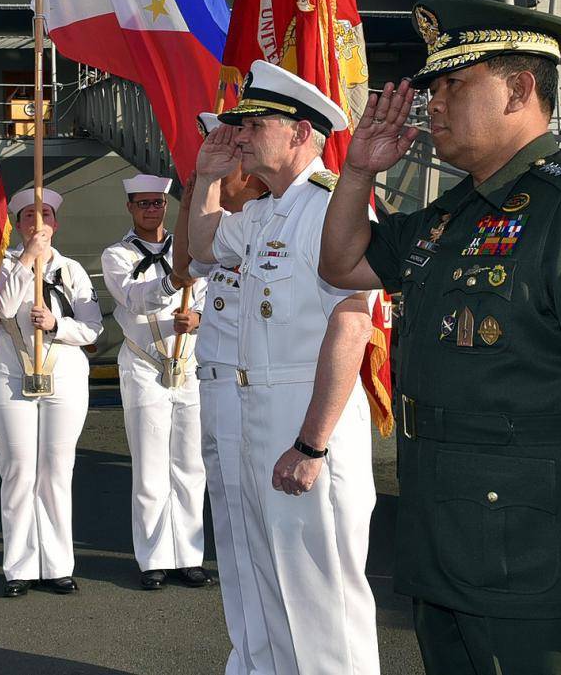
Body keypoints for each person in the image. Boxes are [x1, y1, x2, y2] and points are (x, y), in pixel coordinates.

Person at [318, 0, 561, 674]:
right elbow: (340, 263)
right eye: (431, 88)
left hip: (533, 554)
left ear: (518, 88)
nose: (433, 105)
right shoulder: (450, 214)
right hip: (442, 543)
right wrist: (358, 169)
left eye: (453, 84)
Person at [189, 60, 380, 675]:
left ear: (302, 132)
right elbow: (201, 248)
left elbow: (353, 322)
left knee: (322, 597)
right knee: (263, 584)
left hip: (305, 417)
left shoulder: (331, 207)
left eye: (255, 123)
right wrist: (206, 180)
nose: (239, 135)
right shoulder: (268, 210)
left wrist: (312, 443)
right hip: (256, 415)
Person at [181, 113, 273, 675]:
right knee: (240, 552)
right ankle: (251, 661)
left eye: (240, 140)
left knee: (296, 568)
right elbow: (191, 257)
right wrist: (204, 181)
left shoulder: (315, 210)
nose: (231, 148)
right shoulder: (246, 223)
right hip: (228, 403)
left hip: (280, 411)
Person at [0, 187, 102, 598]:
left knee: (55, 471)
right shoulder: (3, 265)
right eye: (30, 217)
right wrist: (27, 259)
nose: (39, 224)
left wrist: (57, 324)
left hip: (63, 375)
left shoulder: (72, 272)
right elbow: (1, 305)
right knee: (17, 470)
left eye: (46, 215)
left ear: (56, 222)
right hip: (11, 373)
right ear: (17, 225)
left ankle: (56, 564)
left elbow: (92, 327)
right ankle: (18, 566)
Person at [100, 174, 211, 591]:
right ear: (130, 207)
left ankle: (189, 555)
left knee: (189, 466)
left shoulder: (193, 252)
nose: (151, 210)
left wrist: (198, 319)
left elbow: (214, 299)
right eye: (143, 203)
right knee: (150, 467)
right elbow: (132, 297)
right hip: (146, 366)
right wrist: (171, 282)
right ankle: (154, 559)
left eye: (158, 203)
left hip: (188, 364)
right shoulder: (116, 255)